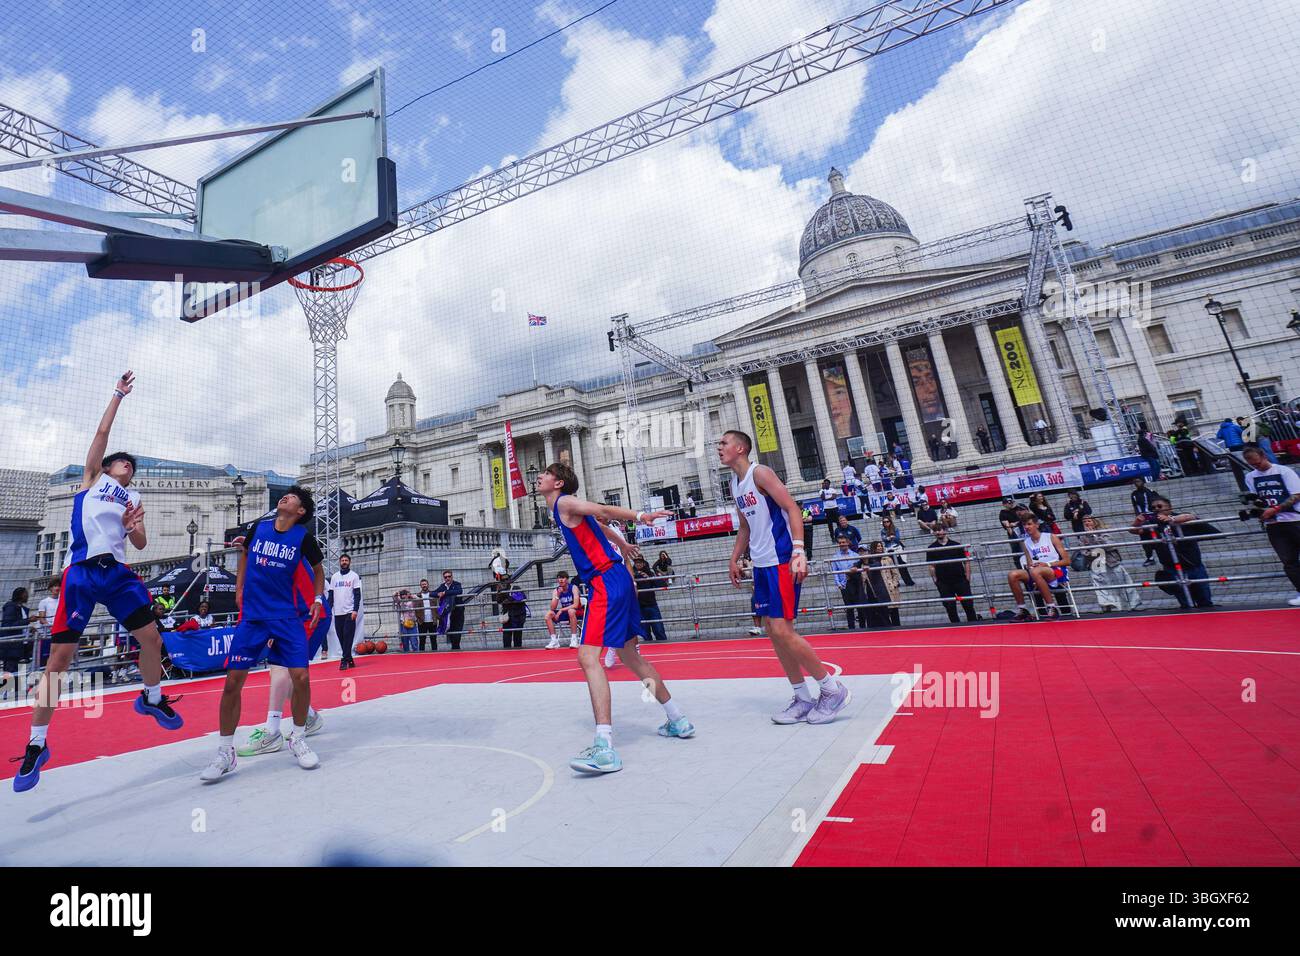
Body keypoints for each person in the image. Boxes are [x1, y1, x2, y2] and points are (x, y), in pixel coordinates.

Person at [13, 371, 183, 794]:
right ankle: (36, 744)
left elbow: (140, 543)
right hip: (84, 572)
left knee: (152, 639)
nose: (129, 466)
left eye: (132, 466)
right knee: (59, 661)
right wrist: (118, 395)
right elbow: (102, 434)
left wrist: (132, 526)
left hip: (118, 573)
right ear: (107, 467)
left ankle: (151, 697)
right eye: (123, 462)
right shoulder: (93, 480)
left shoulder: (134, 498)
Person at [539, 461, 694, 774]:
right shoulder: (566, 510)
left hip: (605, 581)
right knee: (630, 656)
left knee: (587, 657)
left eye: (545, 473)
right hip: (618, 578)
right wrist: (622, 543)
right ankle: (677, 719)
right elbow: (600, 525)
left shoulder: (565, 503)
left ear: (558, 483)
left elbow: (602, 510)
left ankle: (604, 748)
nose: (539, 476)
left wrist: (641, 516)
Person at [720, 430, 852, 725]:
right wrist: (734, 558)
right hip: (761, 564)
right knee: (772, 630)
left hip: (781, 559)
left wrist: (799, 551)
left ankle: (832, 689)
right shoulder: (734, 484)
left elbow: (792, 507)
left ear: (740, 448)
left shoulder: (760, 473)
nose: (719, 448)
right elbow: (745, 527)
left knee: (782, 629)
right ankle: (802, 697)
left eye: (724, 443)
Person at [200, 486, 324, 782]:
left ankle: (297, 737)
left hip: (286, 616)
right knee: (233, 681)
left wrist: (318, 599)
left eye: (292, 498)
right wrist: (239, 586)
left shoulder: (303, 538)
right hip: (254, 617)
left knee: (301, 677)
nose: (285, 498)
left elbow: (318, 570)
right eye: (286, 496)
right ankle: (225, 752)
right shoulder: (259, 528)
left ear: (300, 511)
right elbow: (244, 552)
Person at [1129, 496, 1214, 609]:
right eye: (1153, 507)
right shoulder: (1152, 522)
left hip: (1193, 565)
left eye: (1160, 506)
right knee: (1185, 602)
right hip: (1171, 567)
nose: (1156, 509)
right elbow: (1134, 531)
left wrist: (1172, 519)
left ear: (1169, 507)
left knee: (1204, 600)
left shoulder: (1180, 517)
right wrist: (1137, 521)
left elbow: (1193, 516)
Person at [1242, 444, 1300, 606]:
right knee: (1288, 561)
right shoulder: (1250, 477)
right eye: (1252, 465)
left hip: (1295, 519)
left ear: (1264, 457)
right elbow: (1258, 499)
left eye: (1258, 463)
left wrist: (1275, 509)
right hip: (1274, 524)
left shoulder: (1284, 471)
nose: (1256, 466)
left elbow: (1297, 494)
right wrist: (1257, 509)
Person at [1007, 515, 1071, 621]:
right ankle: (1023, 610)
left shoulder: (1051, 537)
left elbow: (1067, 561)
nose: (1026, 527)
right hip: (1036, 572)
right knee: (1012, 575)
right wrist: (1030, 566)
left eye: (1029, 524)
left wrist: (1047, 564)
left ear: (1037, 525)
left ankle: (1052, 607)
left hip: (1056, 570)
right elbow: (1029, 564)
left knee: (1036, 572)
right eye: (1024, 525)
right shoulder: (1026, 542)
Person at [1077, 516, 1141, 613]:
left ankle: (1130, 605)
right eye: (1084, 521)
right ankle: (1106, 606)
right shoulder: (1082, 537)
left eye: (1089, 521)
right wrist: (1095, 552)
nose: (1086, 523)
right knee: (1100, 586)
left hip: (1111, 561)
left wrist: (1094, 537)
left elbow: (1110, 546)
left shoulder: (1104, 532)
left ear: (1094, 522)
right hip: (1096, 563)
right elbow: (1084, 551)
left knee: (1122, 583)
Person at [927, 528, 979, 624]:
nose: (938, 532)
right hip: (943, 583)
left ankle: (974, 625)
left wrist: (967, 578)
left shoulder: (956, 545)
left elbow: (966, 562)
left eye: (940, 529)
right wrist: (936, 581)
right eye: (936, 530)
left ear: (945, 531)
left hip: (960, 580)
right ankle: (956, 628)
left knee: (968, 605)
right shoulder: (931, 548)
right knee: (950, 608)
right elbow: (931, 566)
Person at [328, 553, 362, 670]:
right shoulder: (334, 577)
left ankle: (343, 661)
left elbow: (357, 595)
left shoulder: (354, 576)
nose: (344, 562)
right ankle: (349, 658)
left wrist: (355, 610)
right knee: (341, 637)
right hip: (337, 612)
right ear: (339, 562)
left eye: (346, 560)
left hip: (349, 612)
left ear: (349, 562)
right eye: (342, 560)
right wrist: (328, 610)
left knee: (348, 636)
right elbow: (331, 595)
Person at [863, 542, 900, 627]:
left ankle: (897, 628)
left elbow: (895, 573)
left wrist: (894, 584)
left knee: (894, 612)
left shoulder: (887, 559)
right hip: (878, 590)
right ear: (873, 548)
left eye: (881, 546)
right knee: (883, 614)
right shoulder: (870, 560)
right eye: (878, 546)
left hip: (890, 588)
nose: (880, 548)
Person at [830, 536, 864, 629]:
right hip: (844, 584)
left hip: (856, 583)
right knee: (849, 608)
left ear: (848, 543)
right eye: (840, 543)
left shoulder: (855, 555)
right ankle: (851, 628)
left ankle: (862, 627)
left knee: (860, 606)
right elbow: (835, 572)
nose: (842, 544)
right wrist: (838, 584)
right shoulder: (835, 557)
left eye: (843, 542)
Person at [633, 557, 669, 641]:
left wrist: (649, 577)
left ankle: (664, 646)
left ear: (643, 563)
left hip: (652, 605)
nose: (638, 564)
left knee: (659, 630)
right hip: (639, 607)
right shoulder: (632, 574)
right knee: (645, 633)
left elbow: (662, 585)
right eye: (636, 563)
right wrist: (633, 578)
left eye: (640, 562)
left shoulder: (649, 573)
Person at [544, 570, 583, 649]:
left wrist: (561, 610)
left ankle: (574, 639)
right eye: (559, 578)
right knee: (548, 614)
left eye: (563, 578)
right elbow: (552, 608)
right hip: (566, 612)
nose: (561, 580)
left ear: (567, 579)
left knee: (571, 611)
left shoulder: (573, 588)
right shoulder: (556, 590)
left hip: (577, 612)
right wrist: (558, 595)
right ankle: (554, 640)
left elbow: (575, 605)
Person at [1, 588, 33, 674]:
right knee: (10, 672)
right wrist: (28, 620)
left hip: (22, 644)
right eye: (25, 593)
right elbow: (8, 625)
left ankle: (16, 682)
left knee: (20, 672)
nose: (27, 596)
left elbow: (21, 624)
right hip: (11, 646)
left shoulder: (22, 608)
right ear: (20, 595)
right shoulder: (10, 607)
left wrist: (30, 628)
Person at [879, 515, 914, 586]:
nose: (886, 523)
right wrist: (889, 538)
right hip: (889, 549)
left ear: (890, 522)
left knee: (902, 566)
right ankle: (895, 582)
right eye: (884, 522)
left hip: (897, 548)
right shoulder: (883, 531)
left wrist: (891, 537)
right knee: (892, 567)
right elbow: (884, 539)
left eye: (887, 521)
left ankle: (908, 582)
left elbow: (897, 539)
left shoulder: (895, 529)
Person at [1131, 477, 1159, 566]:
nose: (1136, 483)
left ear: (1143, 482)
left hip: (1152, 517)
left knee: (1155, 536)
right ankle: (1150, 558)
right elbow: (1135, 507)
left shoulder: (1151, 492)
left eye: (1138, 481)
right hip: (1142, 518)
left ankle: (1161, 554)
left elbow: (1158, 506)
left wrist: (1154, 516)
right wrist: (1138, 517)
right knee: (1144, 538)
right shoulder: (1134, 494)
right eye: (1135, 481)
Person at [432, 569, 463, 649]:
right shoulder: (442, 586)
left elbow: (459, 591)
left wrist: (445, 593)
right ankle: (454, 649)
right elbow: (433, 593)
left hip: (458, 613)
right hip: (447, 614)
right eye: (445, 577)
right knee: (451, 633)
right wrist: (438, 594)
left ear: (452, 576)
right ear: (444, 578)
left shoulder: (457, 584)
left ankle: (456, 649)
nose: (447, 578)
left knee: (457, 634)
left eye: (449, 576)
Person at [416, 578, 439, 652]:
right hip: (422, 621)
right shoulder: (418, 596)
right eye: (422, 584)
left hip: (432, 620)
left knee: (433, 639)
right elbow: (415, 608)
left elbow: (438, 604)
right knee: (422, 640)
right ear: (420, 586)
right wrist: (417, 618)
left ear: (428, 585)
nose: (424, 586)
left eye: (425, 584)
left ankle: (435, 654)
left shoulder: (433, 594)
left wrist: (438, 617)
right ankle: (421, 655)